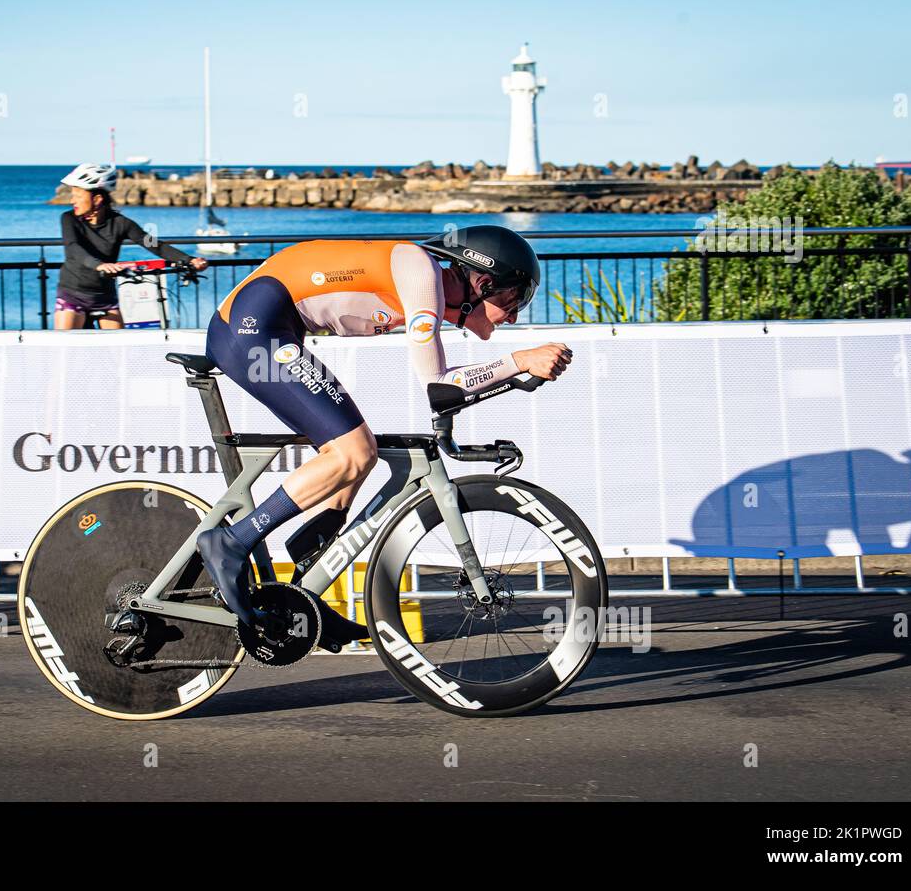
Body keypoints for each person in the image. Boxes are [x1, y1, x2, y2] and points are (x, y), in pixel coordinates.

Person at [195, 225, 573, 624]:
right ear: (482, 281)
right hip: (252, 330)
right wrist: (518, 361)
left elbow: (445, 388)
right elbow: (439, 385)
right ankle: (232, 542)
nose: (513, 316)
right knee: (354, 452)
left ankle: (301, 595)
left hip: (272, 328)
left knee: (357, 459)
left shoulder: (425, 283)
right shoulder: (422, 274)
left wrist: (513, 370)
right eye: (514, 299)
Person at [55, 163, 207, 329]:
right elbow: (74, 248)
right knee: (65, 349)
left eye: (77, 195)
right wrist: (100, 265)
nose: (72, 200)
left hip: (105, 297)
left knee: (120, 349)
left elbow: (154, 244)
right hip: (72, 295)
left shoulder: (120, 223)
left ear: (97, 199)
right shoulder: (69, 219)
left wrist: (189, 260)